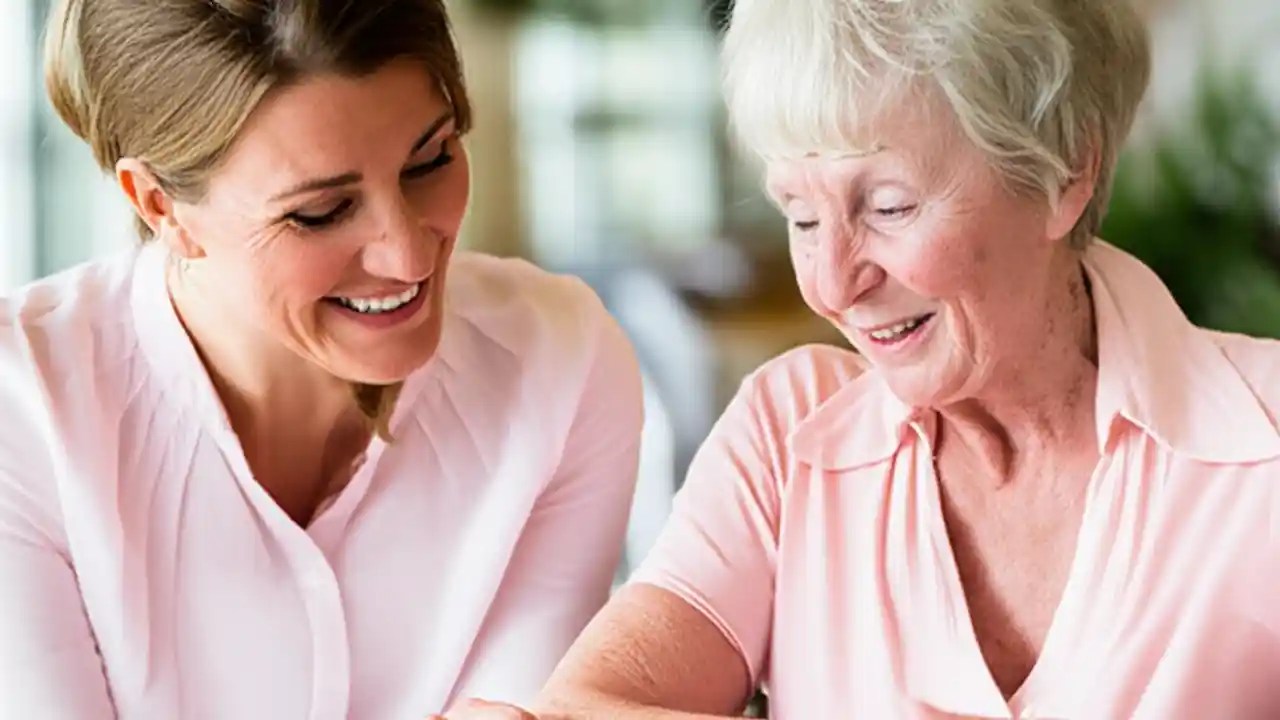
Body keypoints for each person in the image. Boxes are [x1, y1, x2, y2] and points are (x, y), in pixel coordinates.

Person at [443, 0, 1280, 718]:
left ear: (1066, 170)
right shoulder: (788, 434)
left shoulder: (1264, 443)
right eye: (802, 219)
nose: (834, 284)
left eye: (888, 206)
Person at [0, 1, 644, 718]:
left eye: (429, 160)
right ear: (159, 205)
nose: (407, 254)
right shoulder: (24, 413)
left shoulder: (560, 365)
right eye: (319, 213)